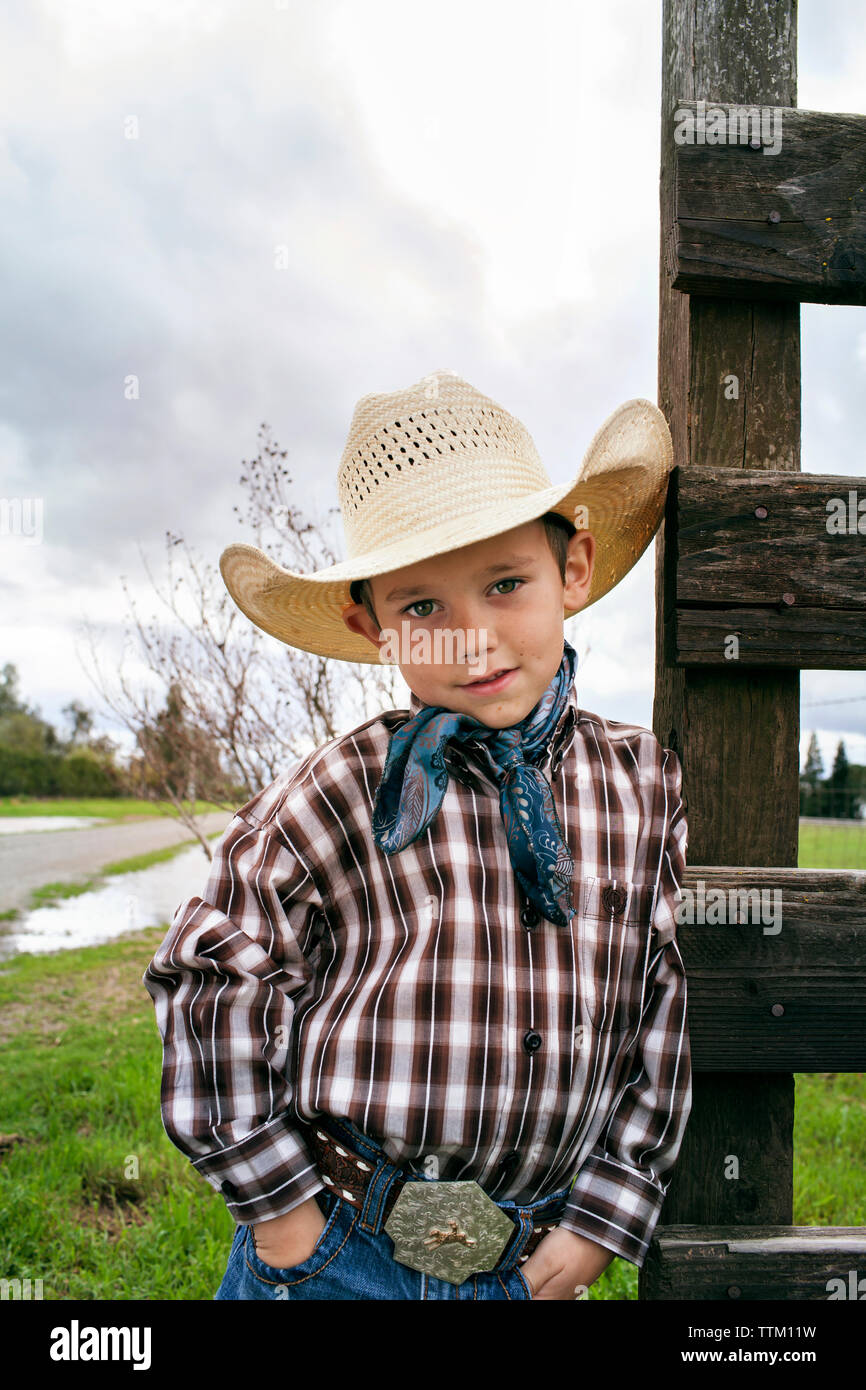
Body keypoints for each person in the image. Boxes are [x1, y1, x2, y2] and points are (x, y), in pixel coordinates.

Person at [142, 369, 691, 1301]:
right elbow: (213, 972)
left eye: (506, 583)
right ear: (374, 627)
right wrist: (283, 1215)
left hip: (530, 1257)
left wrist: (608, 1211)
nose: (470, 639)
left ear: (574, 569)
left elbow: (661, 1003)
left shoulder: (640, 785)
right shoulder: (342, 788)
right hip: (340, 1248)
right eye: (423, 608)